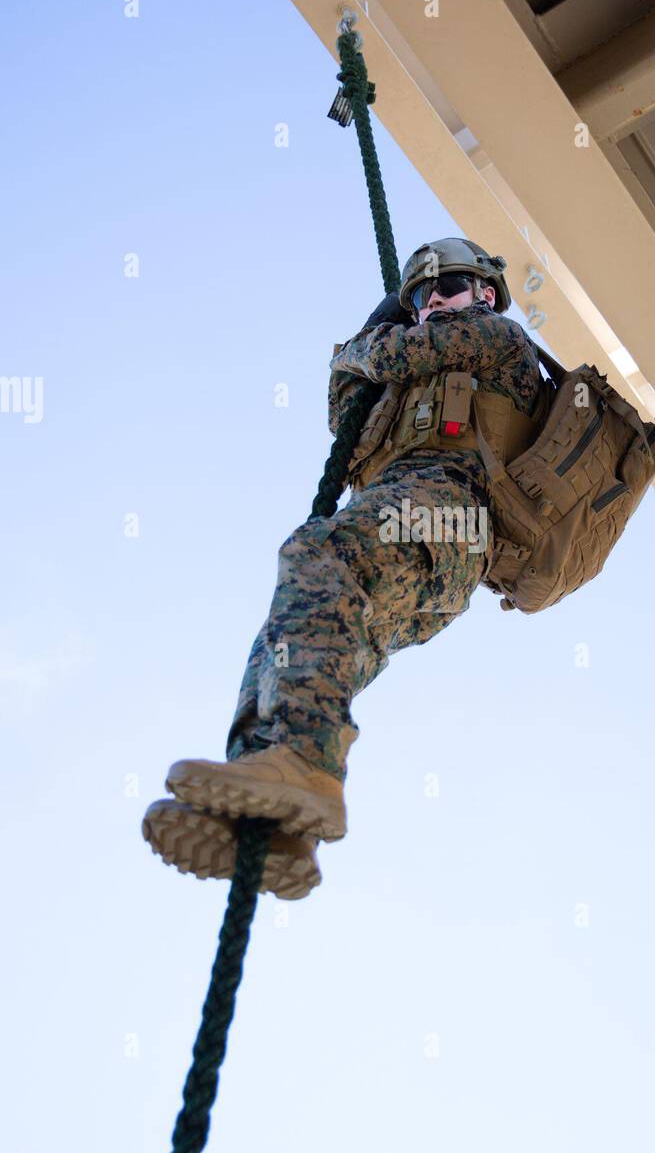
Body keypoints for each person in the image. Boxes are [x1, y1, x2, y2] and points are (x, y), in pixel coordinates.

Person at [142, 239, 542, 900]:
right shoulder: (403, 384)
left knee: (315, 552)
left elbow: (387, 354)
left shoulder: (497, 340)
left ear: (487, 293)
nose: (433, 300)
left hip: (450, 519)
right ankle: (272, 819)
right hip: (409, 543)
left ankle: (303, 763)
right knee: (282, 637)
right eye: (421, 295)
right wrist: (360, 354)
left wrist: (368, 338)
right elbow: (343, 416)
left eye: (449, 286)